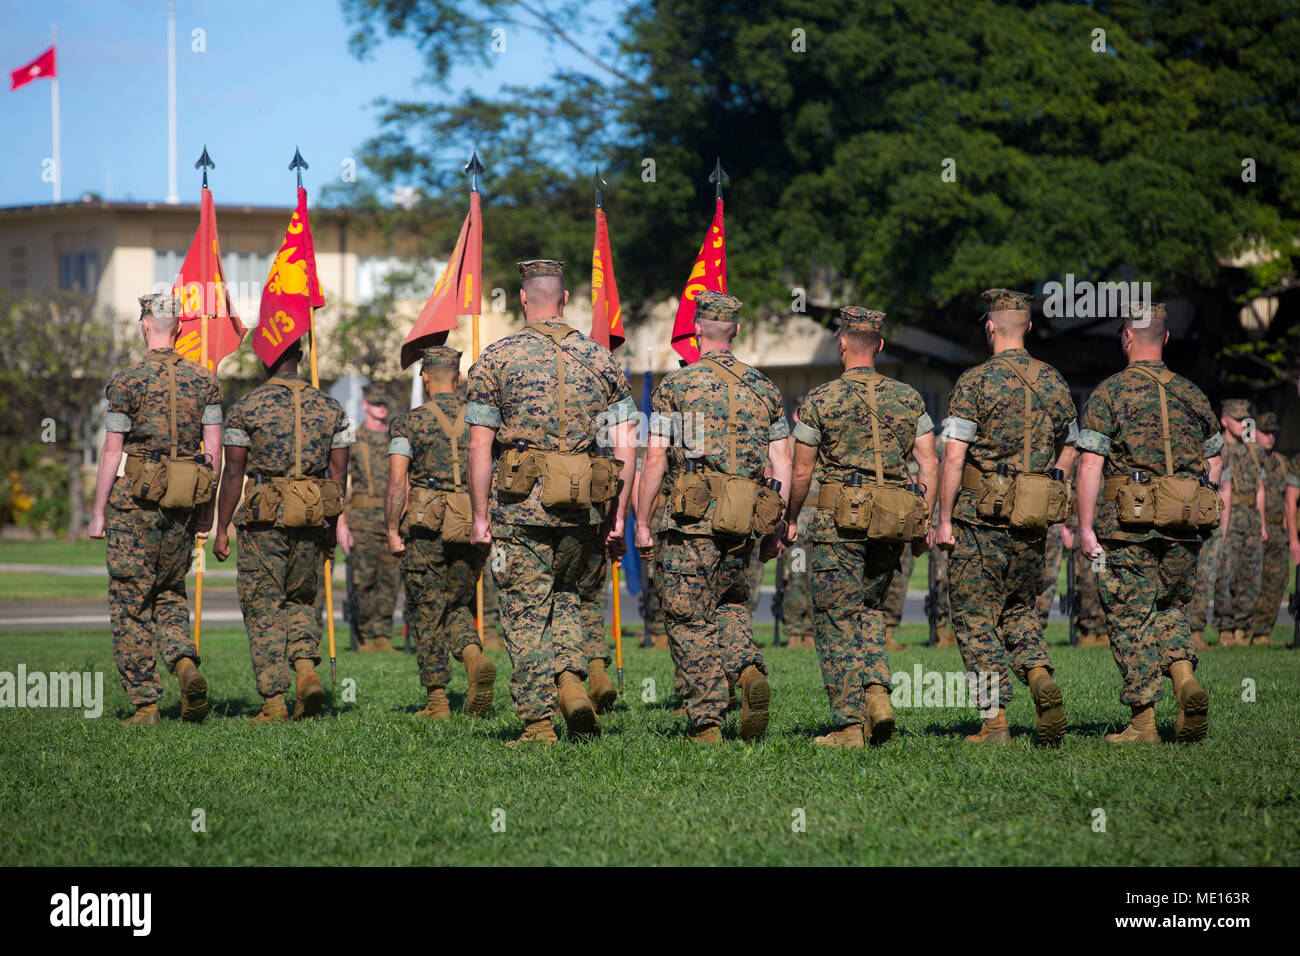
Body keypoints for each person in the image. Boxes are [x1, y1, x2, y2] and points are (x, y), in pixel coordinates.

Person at [466, 259, 637, 744]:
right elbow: (626, 441)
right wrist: (617, 514)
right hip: (584, 503)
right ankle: (571, 684)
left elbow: (480, 446)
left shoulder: (497, 357)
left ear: (523, 299)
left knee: (524, 609)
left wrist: (479, 517)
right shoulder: (602, 360)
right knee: (566, 597)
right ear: (565, 300)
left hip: (519, 507)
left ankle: (539, 722)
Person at [635, 291, 791, 744]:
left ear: (697, 330)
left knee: (688, 618)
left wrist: (643, 522)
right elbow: (781, 461)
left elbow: (655, 461)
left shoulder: (676, 388)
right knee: (729, 604)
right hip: (745, 520)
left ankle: (706, 723)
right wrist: (774, 518)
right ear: (737, 331)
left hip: (692, 521)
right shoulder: (764, 387)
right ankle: (746, 671)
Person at [785, 306, 938, 747]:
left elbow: (801, 473)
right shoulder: (909, 398)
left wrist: (791, 518)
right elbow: (928, 462)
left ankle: (848, 726)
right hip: (891, 521)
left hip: (839, 523)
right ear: (881, 346)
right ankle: (876, 694)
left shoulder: (821, 398)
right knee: (869, 611)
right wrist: (922, 521)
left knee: (836, 618)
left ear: (843, 344)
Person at [933, 288, 1077, 746]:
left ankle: (994, 722)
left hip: (981, 518)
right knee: (1019, 609)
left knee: (976, 617)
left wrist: (944, 519)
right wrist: (1053, 481)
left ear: (990, 326)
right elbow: (1074, 442)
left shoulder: (975, 382)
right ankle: (1038, 676)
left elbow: (953, 458)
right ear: (1029, 327)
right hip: (1033, 519)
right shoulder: (1054, 380)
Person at [1076, 302, 1219, 743]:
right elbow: (1215, 456)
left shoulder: (1110, 393)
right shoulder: (1192, 393)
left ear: (1127, 337)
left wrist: (1084, 528)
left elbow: (1090, 464)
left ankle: (1142, 724)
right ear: (1167, 338)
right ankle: (1183, 680)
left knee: (1128, 617)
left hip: (1127, 528)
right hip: (1184, 524)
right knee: (1171, 609)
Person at [88, 293, 221, 725]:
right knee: (169, 595)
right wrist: (207, 514)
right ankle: (184, 664)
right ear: (177, 328)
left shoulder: (126, 381)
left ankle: (146, 704)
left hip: (134, 508)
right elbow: (213, 457)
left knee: (130, 604)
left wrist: (98, 512)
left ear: (146, 325)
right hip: (182, 506)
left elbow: (112, 453)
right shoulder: (205, 382)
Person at [214, 340, 352, 722]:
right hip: (311, 514)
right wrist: (331, 527)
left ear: (263, 358)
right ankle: (306, 670)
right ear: (302, 358)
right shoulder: (331, 407)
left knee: (264, 605)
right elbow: (338, 475)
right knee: (302, 599)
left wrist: (221, 527)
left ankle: (274, 702)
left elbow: (233, 472)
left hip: (264, 517)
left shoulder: (246, 408)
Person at [386, 346, 496, 719]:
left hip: (425, 525)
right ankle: (473, 657)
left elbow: (397, 481)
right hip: (469, 521)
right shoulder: (481, 420)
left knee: (427, 609)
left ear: (426, 377)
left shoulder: (408, 423)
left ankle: (437, 702)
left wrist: (391, 528)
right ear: (460, 377)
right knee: (458, 603)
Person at [337, 382, 401, 652]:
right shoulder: (353, 440)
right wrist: (341, 524)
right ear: (364, 405)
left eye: (384, 404)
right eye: (375, 404)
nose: (380, 408)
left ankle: (382, 634)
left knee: (390, 578)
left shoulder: (396, 440)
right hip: (361, 518)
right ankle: (362, 634)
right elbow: (339, 482)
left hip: (390, 517)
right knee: (363, 579)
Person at [1185, 400, 1243, 649]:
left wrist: (1223, 526)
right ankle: (1187, 631)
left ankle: (1197, 630)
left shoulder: (1213, 449)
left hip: (1210, 524)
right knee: (1187, 580)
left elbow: (1225, 490)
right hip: (1187, 522)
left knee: (1207, 578)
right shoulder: (1186, 448)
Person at [1213, 400, 1267, 647]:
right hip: (1229, 517)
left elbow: (1260, 489)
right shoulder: (1219, 449)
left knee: (1250, 575)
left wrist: (1263, 524)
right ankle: (1225, 627)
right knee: (1226, 575)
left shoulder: (1253, 450)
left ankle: (1243, 629)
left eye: (1245, 419)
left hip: (1251, 519)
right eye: (1237, 419)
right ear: (1225, 420)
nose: (1242, 423)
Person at [1248, 412, 1287, 645]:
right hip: (1254, 528)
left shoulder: (1280, 463)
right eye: (1266, 432)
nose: (1270, 436)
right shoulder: (1250, 459)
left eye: (1273, 432)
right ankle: (1243, 631)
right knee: (1252, 582)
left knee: (1278, 579)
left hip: (1277, 530)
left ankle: (1263, 632)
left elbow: (1284, 498)